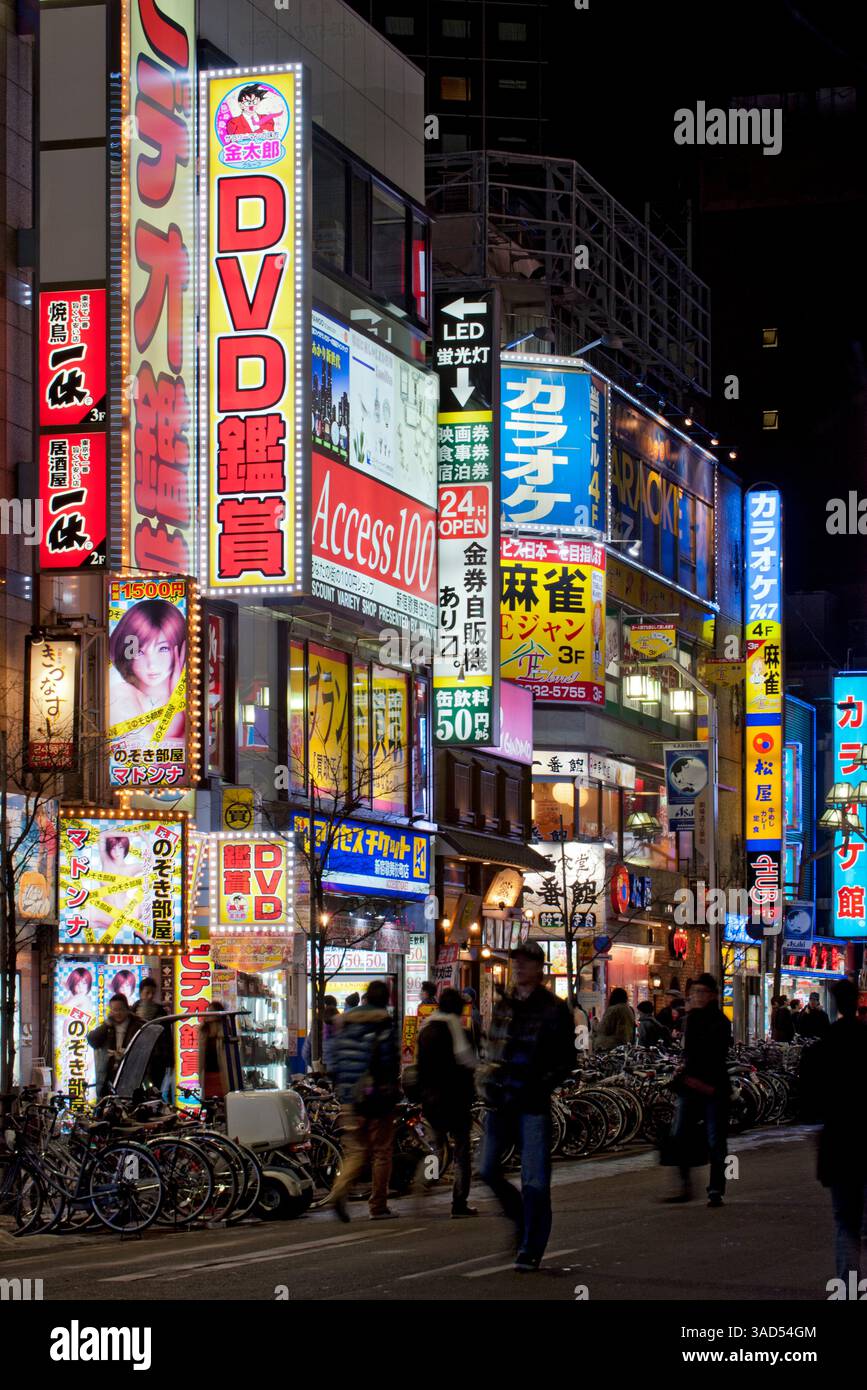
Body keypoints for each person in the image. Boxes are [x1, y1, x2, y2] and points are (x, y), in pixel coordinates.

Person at [478, 941, 575, 1272]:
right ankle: (520, 1218)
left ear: (538, 968)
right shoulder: (504, 1006)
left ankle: (531, 1247)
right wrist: (487, 1081)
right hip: (500, 1101)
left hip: (532, 1103)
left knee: (534, 1179)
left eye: (525, 962)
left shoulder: (553, 1008)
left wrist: (541, 1082)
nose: (518, 967)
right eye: (515, 961)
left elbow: (567, 1060)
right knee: (488, 1169)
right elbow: (492, 1049)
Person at [327, 982, 401, 1221]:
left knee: (357, 1150)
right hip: (376, 1095)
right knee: (381, 1151)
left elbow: (336, 1059)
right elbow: (388, 1061)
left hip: (350, 1096)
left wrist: (344, 1088)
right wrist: (390, 1088)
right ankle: (378, 1205)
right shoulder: (383, 1023)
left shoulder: (346, 1023)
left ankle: (339, 1190)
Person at [813, 979, 867, 1280]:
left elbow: (812, 1100)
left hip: (838, 1142)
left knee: (845, 1220)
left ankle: (849, 1283)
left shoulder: (827, 1044)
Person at [663, 973, 731, 1207]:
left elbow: (715, 1055)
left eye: (701, 992)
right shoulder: (690, 1019)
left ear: (712, 995)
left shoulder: (720, 1022)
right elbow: (690, 1052)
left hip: (712, 1087)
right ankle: (685, 1184)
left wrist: (699, 1078)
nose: (697, 997)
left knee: (716, 1140)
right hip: (691, 1086)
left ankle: (716, 1189)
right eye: (694, 993)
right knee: (679, 1135)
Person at [417, 987, 478, 1217]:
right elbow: (469, 1063)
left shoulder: (426, 1030)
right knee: (461, 1151)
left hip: (431, 1100)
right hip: (455, 1101)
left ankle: (426, 1180)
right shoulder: (457, 1030)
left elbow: (420, 1066)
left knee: (437, 1146)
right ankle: (459, 1203)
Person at [109, 598, 186, 740]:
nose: (152, 664)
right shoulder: (121, 695)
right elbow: (152, 751)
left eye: (163, 648)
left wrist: (179, 693)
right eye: (139, 651)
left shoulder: (191, 696)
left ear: (181, 648)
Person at [87, 993, 144, 1098]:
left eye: (121, 1009)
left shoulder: (137, 1025)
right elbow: (92, 1041)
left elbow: (143, 1050)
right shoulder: (108, 1026)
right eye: (114, 1010)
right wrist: (106, 1025)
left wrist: (127, 1054)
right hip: (108, 1075)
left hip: (131, 1076)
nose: (117, 1013)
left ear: (127, 1009)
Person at [133, 978, 170, 1089]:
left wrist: (169, 1061)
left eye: (153, 993)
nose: (150, 996)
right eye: (147, 992)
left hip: (156, 1060)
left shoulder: (160, 1012)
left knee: (155, 1090)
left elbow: (167, 1037)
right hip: (137, 1059)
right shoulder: (132, 1012)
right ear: (140, 993)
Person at [198, 1002, 230, 1100]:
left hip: (222, 1077)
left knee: (222, 1106)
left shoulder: (225, 1033)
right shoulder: (204, 1033)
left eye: (210, 1011)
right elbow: (201, 1059)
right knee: (209, 1106)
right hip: (207, 1077)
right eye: (207, 1011)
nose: (207, 1014)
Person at [594, 987, 636, 1052]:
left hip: (610, 1047)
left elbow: (604, 1028)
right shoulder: (629, 1010)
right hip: (625, 1046)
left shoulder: (613, 1010)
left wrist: (595, 1025)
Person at [462, 986, 482, 1054]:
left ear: (470, 998)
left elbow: (478, 1031)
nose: (463, 996)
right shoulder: (460, 1009)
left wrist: (479, 1048)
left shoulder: (474, 1011)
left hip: (470, 1043)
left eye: (464, 995)